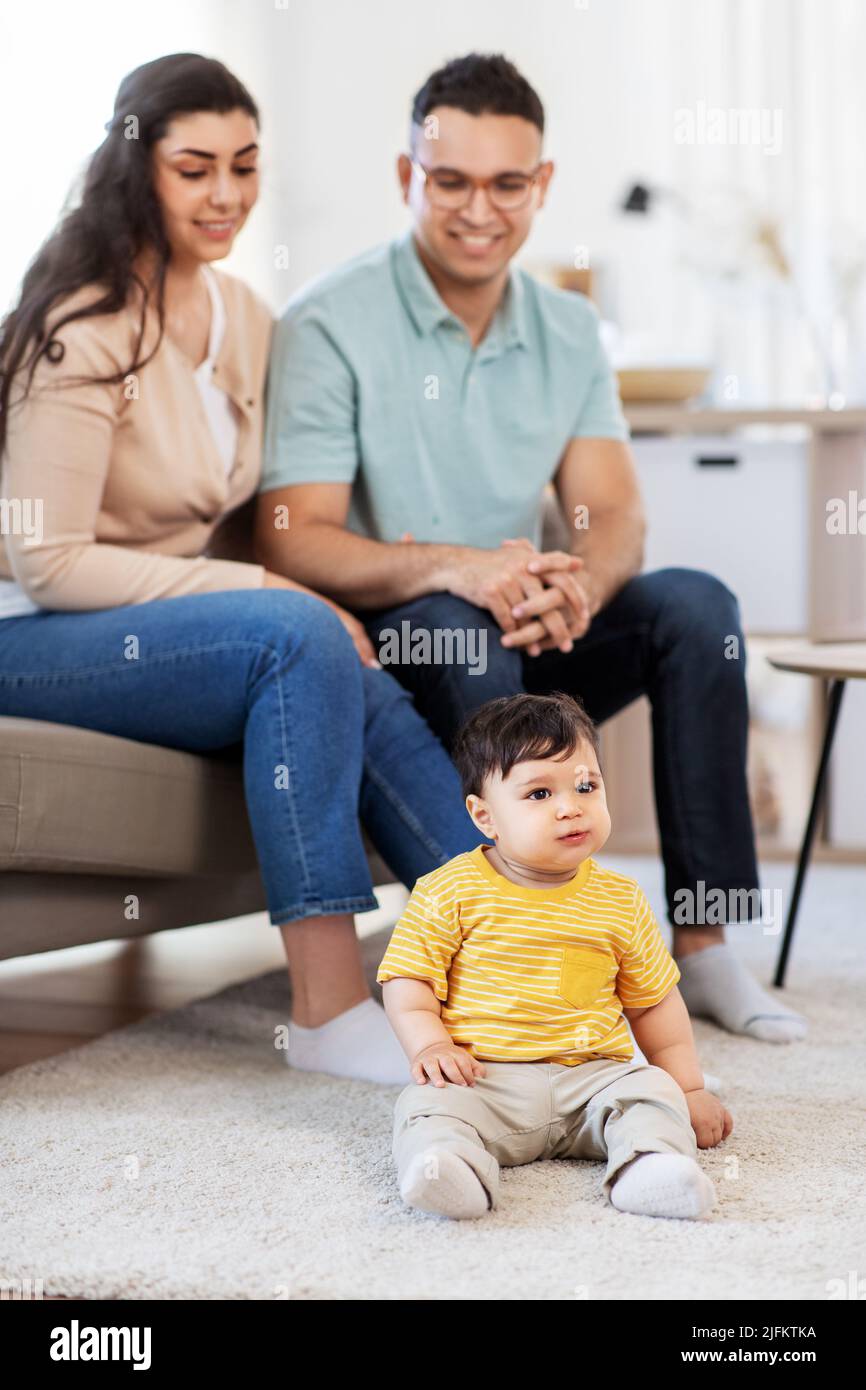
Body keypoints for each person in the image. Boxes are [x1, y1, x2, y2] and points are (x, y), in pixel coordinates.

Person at [256, 51, 806, 1046]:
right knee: (458, 626)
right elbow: (293, 536)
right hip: (405, 637)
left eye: (507, 183)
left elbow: (611, 512)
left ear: (540, 185)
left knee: (695, 608)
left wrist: (579, 588)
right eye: (449, 181)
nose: (479, 209)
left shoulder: (565, 329)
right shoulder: (327, 322)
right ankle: (516, 945)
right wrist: (457, 566)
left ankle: (707, 945)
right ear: (404, 178)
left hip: (523, 620)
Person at [0, 52, 481, 1087]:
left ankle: (512, 950)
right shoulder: (81, 326)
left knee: (346, 667)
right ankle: (324, 1010)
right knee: (298, 631)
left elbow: (245, 524)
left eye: (245, 165)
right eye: (194, 168)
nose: (226, 194)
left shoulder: (245, 318)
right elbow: (46, 562)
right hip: (31, 633)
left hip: (154, 627)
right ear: (137, 170)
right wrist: (274, 594)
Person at [376, 692, 732, 1220]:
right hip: (485, 1079)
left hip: (593, 1079)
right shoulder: (448, 891)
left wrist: (689, 1087)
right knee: (426, 1106)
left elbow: (654, 1005)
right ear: (485, 816)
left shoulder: (620, 899)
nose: (571, 806)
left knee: (651, 1093)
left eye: (586, 786)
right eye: (539, 793)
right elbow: (408, 981)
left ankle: (647, 1168)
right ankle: (450, 1167)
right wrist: (429, 1046)